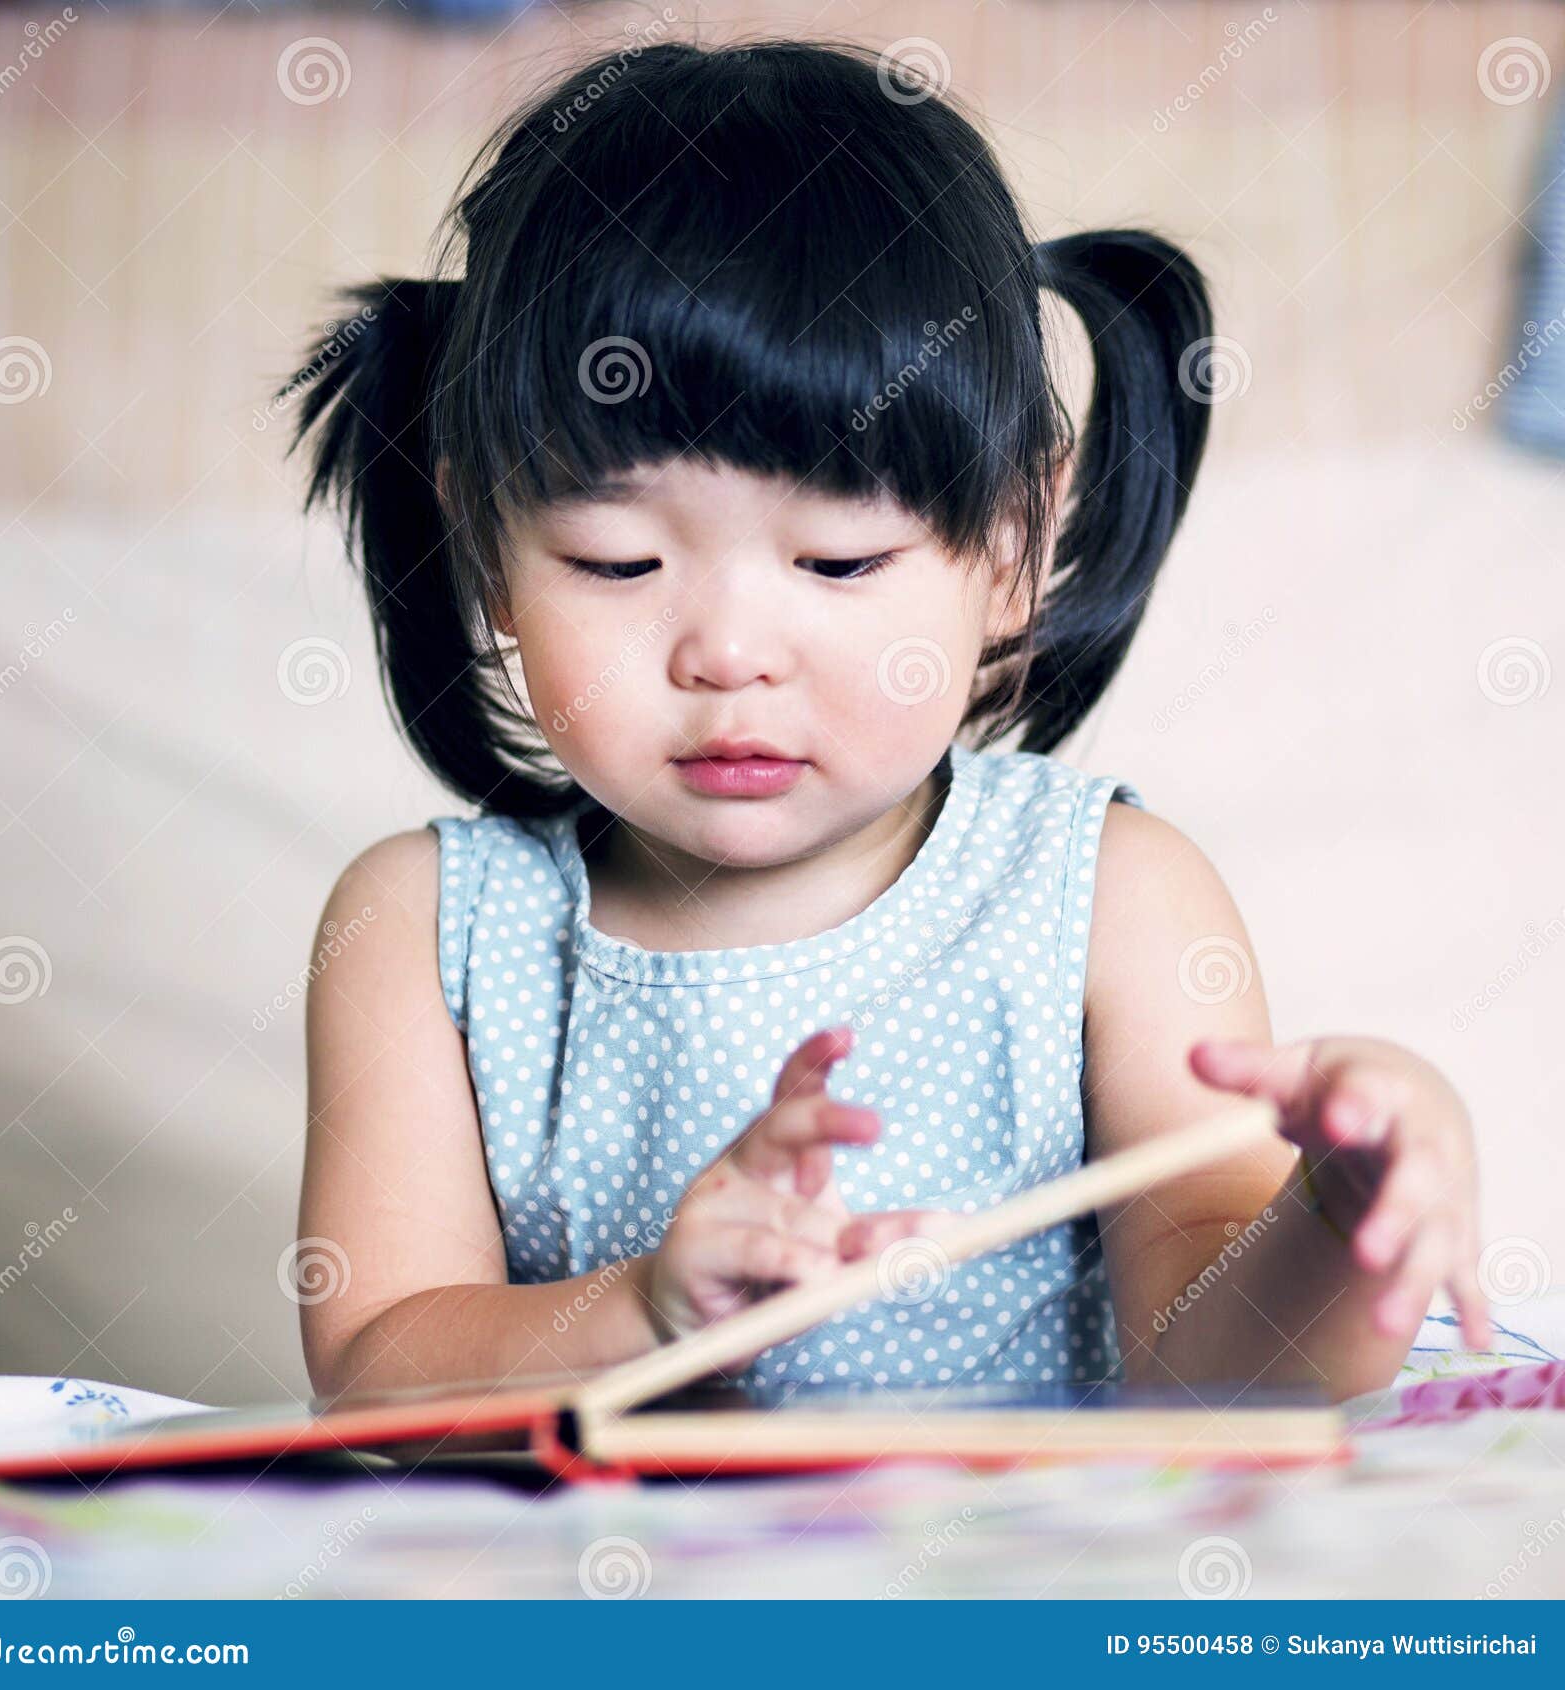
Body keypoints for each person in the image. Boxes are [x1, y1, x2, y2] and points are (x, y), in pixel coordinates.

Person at [281, 36, 1489, 1407]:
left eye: (840, 561)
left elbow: (1223, 1370)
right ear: (481, 547)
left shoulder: (1106, 901)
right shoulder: (428, 936)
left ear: (1014, 545)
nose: (728, 652)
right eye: (617, 561)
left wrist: (1337, 1221)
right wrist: (645, 1309)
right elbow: (376, 1371)